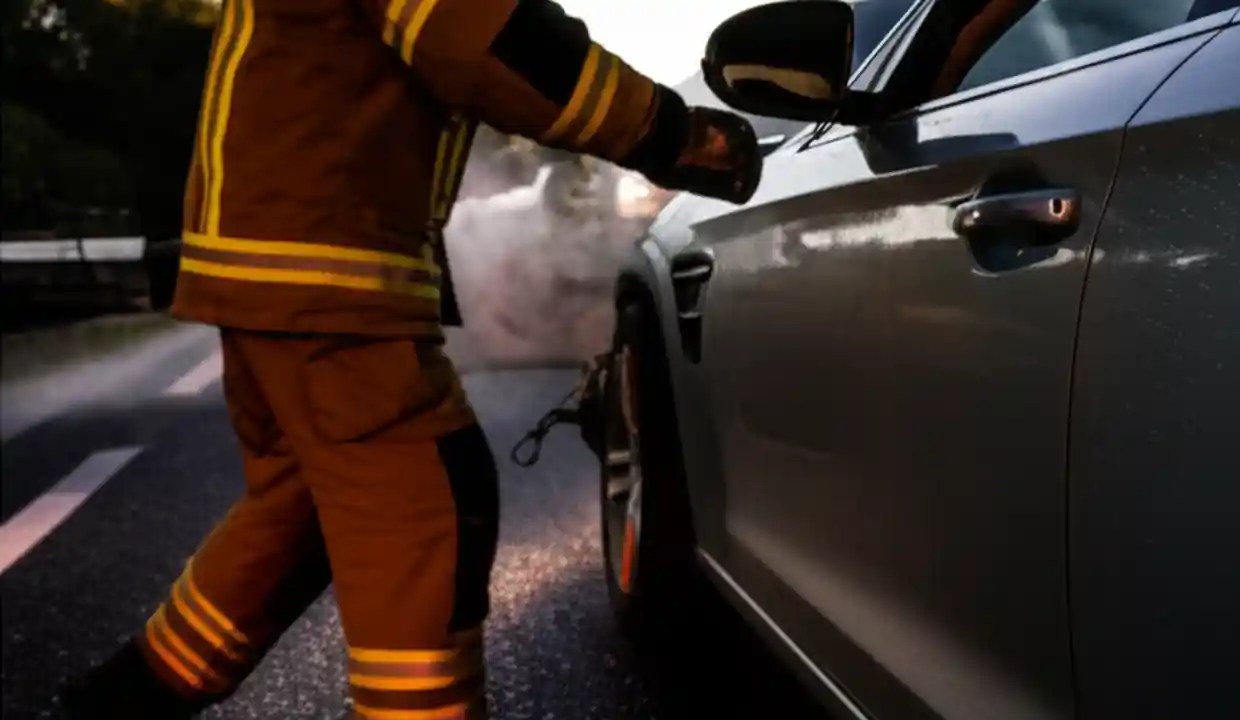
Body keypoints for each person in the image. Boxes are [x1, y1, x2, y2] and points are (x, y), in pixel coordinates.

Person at [61, 0, 760, 717]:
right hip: (322, 265)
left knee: (301, 512)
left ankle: (115, 706)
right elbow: (491, 38)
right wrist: (672, 134)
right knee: (428, 509)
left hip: (278, 263)